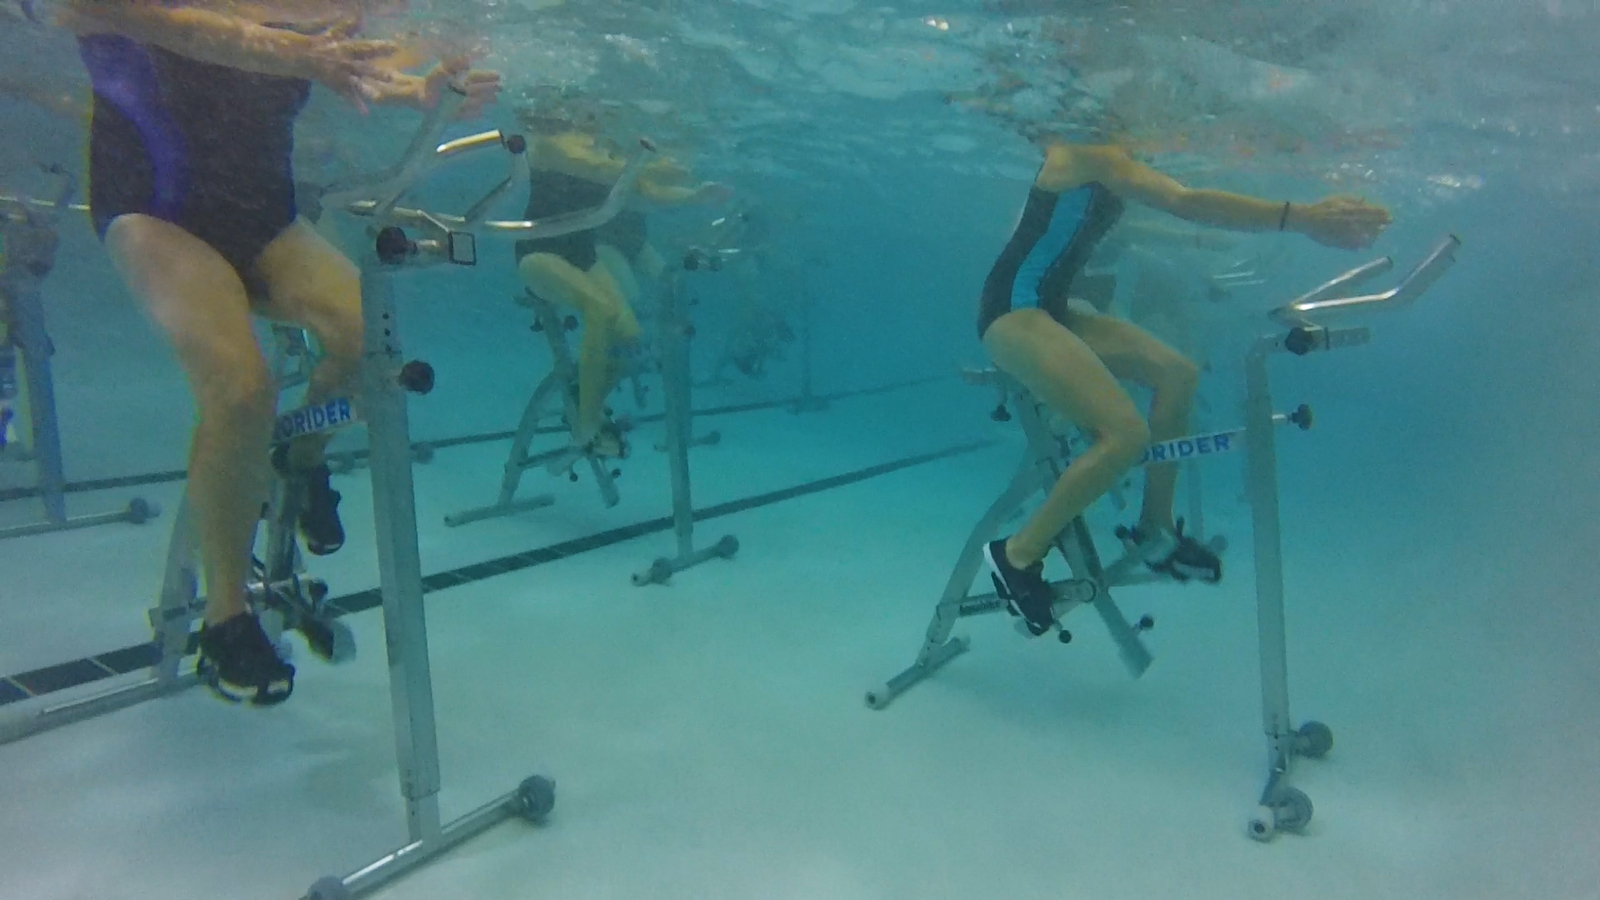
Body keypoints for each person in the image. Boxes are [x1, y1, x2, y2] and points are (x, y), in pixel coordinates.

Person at [58, 1, 499, 704]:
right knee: (238, 391)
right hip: (153, 210)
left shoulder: (307, 10)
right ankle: (225, 616)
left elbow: (335, 60)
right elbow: (145, 21)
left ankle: (301, 462)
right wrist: (298, 53)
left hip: (263, 219)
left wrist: (419, 90)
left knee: (369, 337)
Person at [978, 141, 1391, 635]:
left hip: (1053, 309)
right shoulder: (1086, 152)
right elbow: (1185, 201)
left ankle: (1154, 528)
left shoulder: (1111, 164)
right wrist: (1301, 216)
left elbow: (1152, 218)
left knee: (1178, 373)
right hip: (1013, 311)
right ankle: (1017, 554)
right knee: (1124, 436)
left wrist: (1207, 245)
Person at [513, 117, 731, 458]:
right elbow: (597, 166)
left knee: (630, 335)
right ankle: (586, 427)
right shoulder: (550, 143)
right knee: (598, 309)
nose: (595, 129)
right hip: (537, 253)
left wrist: (695, 193)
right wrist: (649, 166)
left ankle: (589, 404)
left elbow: (648, 190)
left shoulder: (608, 162)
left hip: (583, 256)